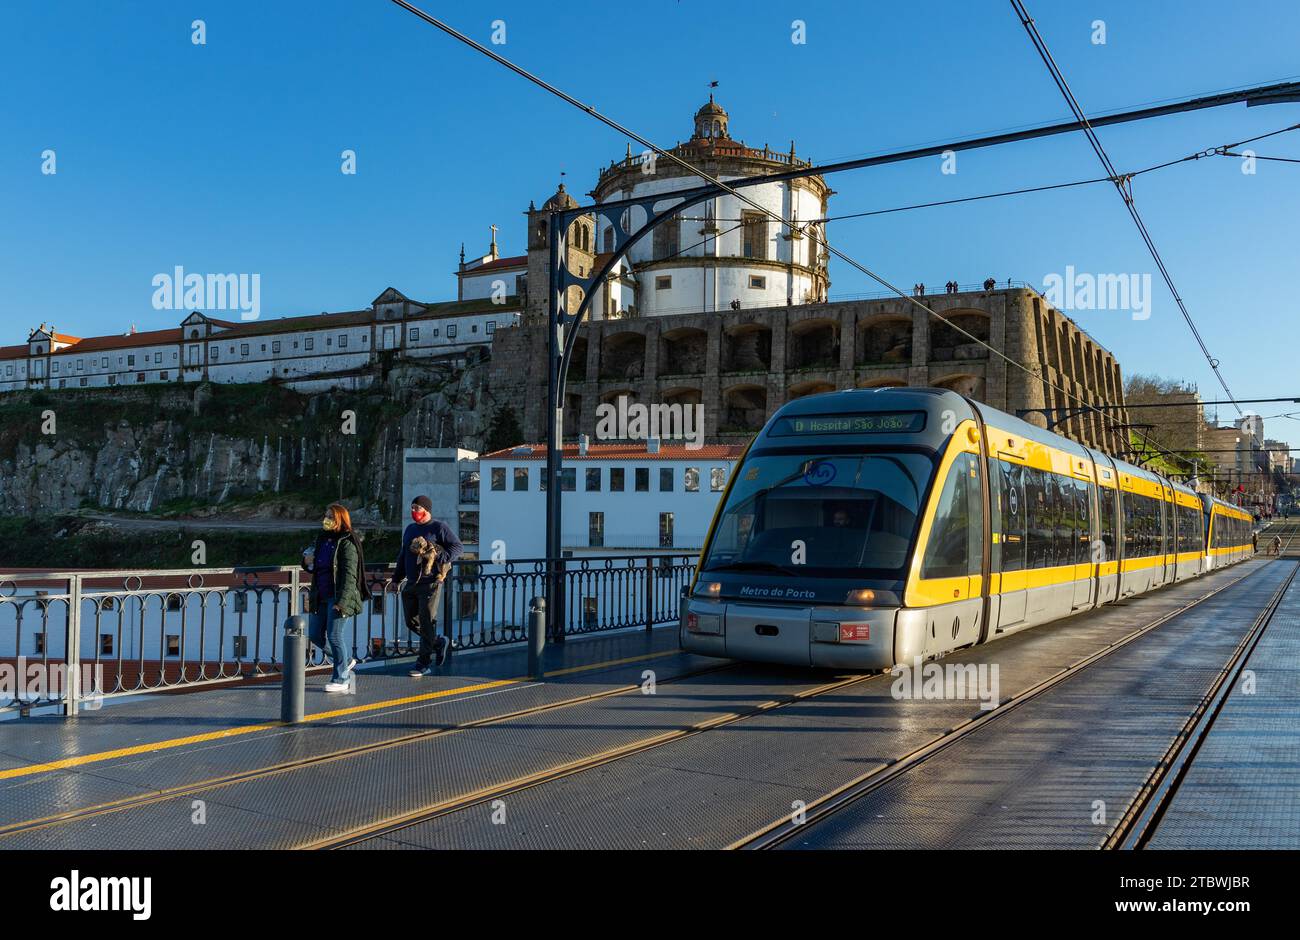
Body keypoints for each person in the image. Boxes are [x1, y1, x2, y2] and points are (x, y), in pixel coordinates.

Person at [302, 503, 371, 693]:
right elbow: (315, 565)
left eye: (331, 516)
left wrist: (342, 602)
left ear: (340, 519)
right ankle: (346, 661)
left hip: (339, 596)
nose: (326, 519)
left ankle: (342, 678)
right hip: (321, 593)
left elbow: (350, 575)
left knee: (334, 635)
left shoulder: (347, 542)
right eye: (325, 515)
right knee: (315, 634)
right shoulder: (322, 539)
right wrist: (306, 562)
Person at [395, 496, 463, 676]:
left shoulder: (438, 527)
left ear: (426, 509)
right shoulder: (410, 529)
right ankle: (438, 642)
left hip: (431, 582)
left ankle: (423, 663)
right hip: (411, 582)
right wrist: (396, 578)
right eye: (411, 507)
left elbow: (457, 547)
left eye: (417, 508)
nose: (413, 511)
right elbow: (403, 554)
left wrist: (438, 558)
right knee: (411, 621)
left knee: (426, 622)